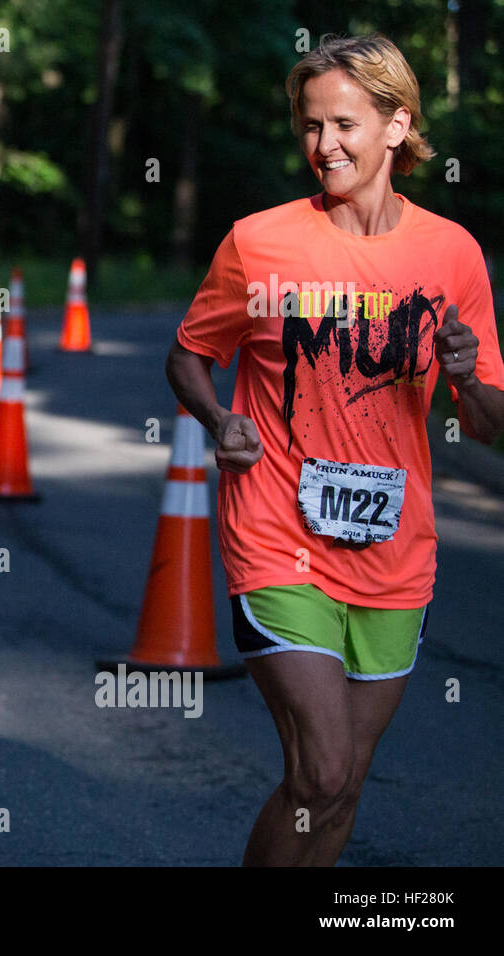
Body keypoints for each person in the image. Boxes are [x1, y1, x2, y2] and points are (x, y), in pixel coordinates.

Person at [166, 33, 504, 866]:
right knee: (318, 768)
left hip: (395, 555)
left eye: (345, 125)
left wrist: (466, 378)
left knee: (344, 783)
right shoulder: (259, 241)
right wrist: (218, 421)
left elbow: (492, 425)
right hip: (276, 538)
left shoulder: (452, 254)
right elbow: (188, 355)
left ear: (398, 126)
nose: (325, 146)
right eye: (311, 127)